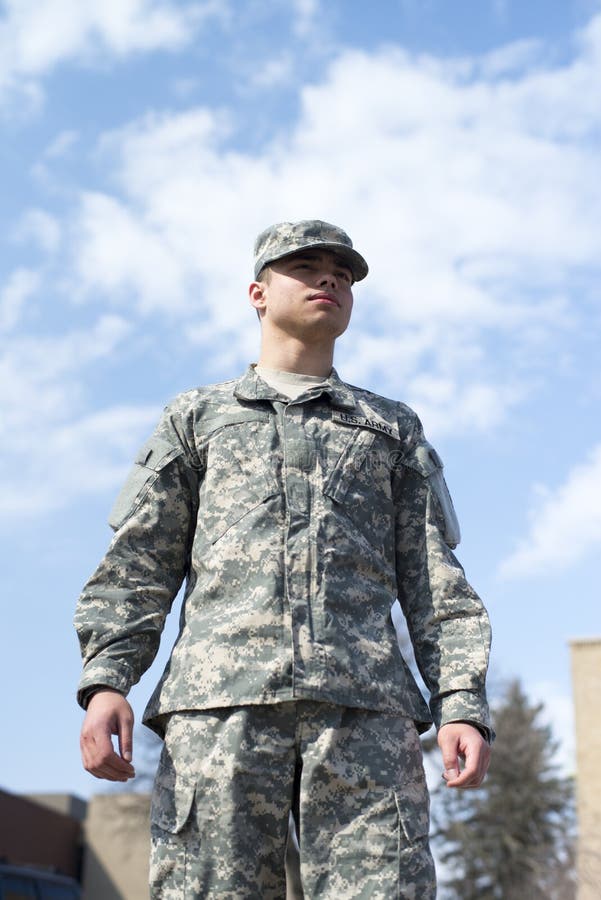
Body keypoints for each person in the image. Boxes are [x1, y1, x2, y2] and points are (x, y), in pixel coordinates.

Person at [75, 219, 493, 899]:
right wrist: (106, 682)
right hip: (220, 713)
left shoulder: (388, 428)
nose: (329, 278)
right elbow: (139, 564)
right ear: (258, 293)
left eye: (341, 272)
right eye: (306, 266)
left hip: (363, 717)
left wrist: (461, 704)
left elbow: (435, 582)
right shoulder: (199, 418)